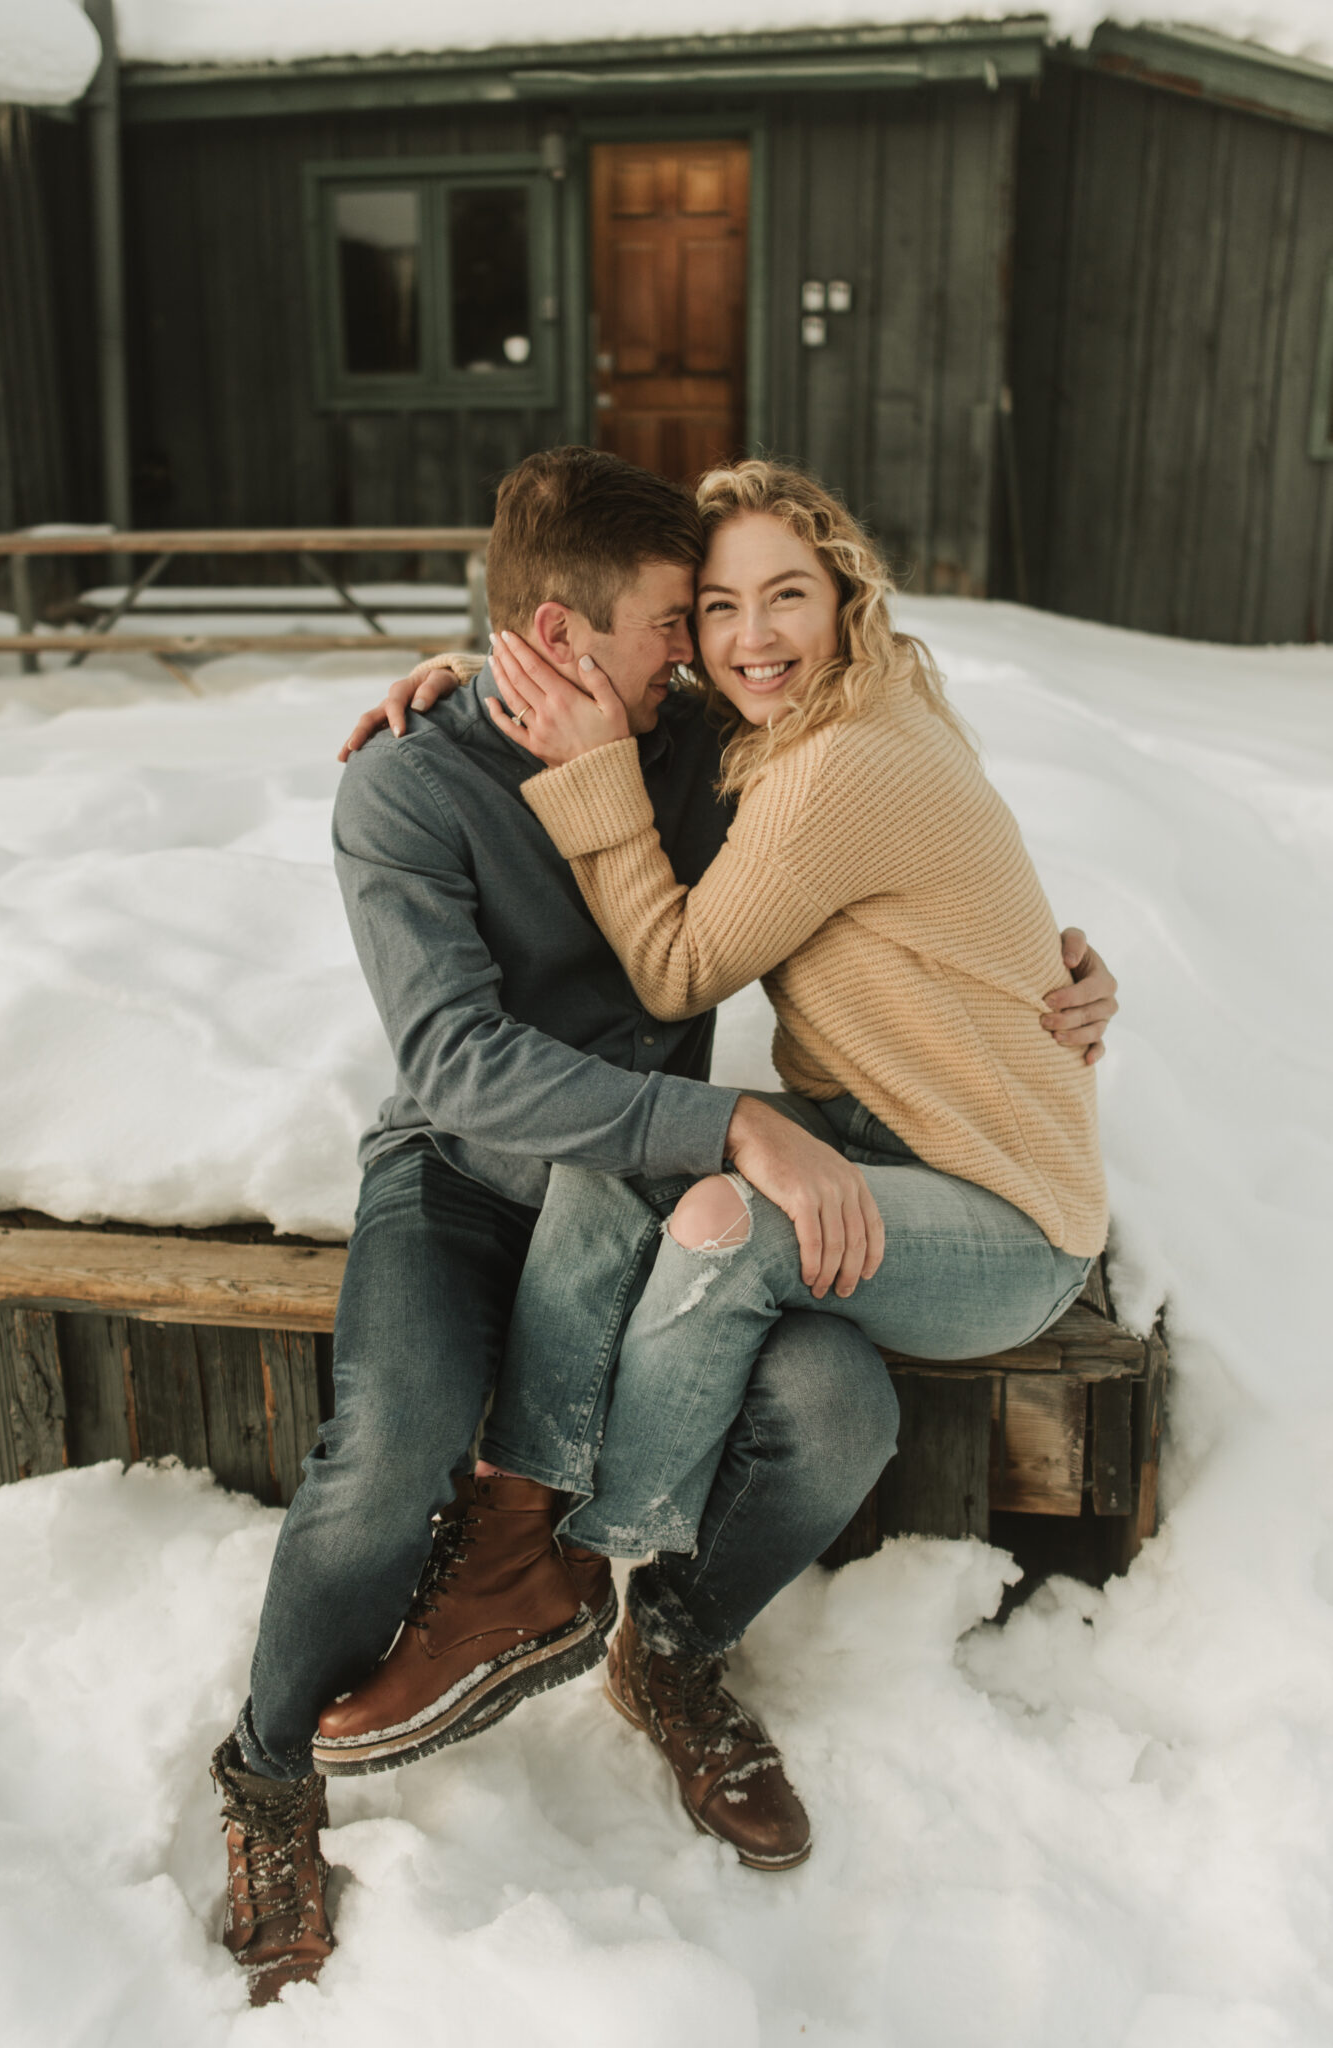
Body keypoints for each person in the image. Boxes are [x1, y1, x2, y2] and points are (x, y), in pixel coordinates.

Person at [211, 447, 1118, 2007]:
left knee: (835, 1407)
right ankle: (269, 1772)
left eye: (706, 629)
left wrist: (1051, 971)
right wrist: (731, 1124)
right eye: (667, 628)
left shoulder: (692, 737)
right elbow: (461, 1067)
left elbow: (866, 795)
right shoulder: (408, 782)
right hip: (468, 1179)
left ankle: (666, 1646)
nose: (697, 658)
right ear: (556, 642)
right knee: (384, 1453)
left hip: (632, 1198)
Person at [436, 459, 1107, 1574]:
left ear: (844, 594)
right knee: (629, 1148)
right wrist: (484, 675)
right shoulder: (831, 709)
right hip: (880, 1127)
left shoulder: (838, 762)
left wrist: (593, 764)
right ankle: (517, 1503)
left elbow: (673, 970)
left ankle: (595, 1562)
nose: (753, 632)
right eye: (716, 605)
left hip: (1005, 1214)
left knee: (731, 1232)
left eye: (786, 592)